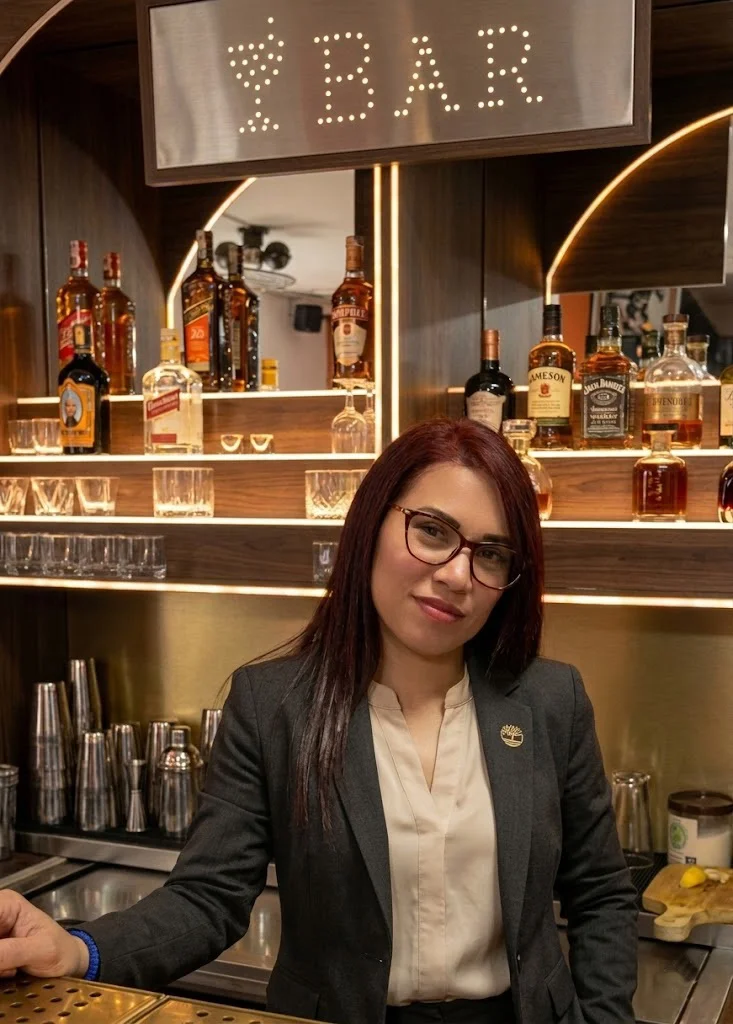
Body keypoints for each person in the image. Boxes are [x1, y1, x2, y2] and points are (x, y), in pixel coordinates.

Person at [0, 419, 638, 1024]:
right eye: (432, 531)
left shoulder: (550, 700)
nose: (455, 575)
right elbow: (209, 898)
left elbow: (601, 892)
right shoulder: (274, 705)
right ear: (372, 523)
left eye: (491, 554)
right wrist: (78, 951)